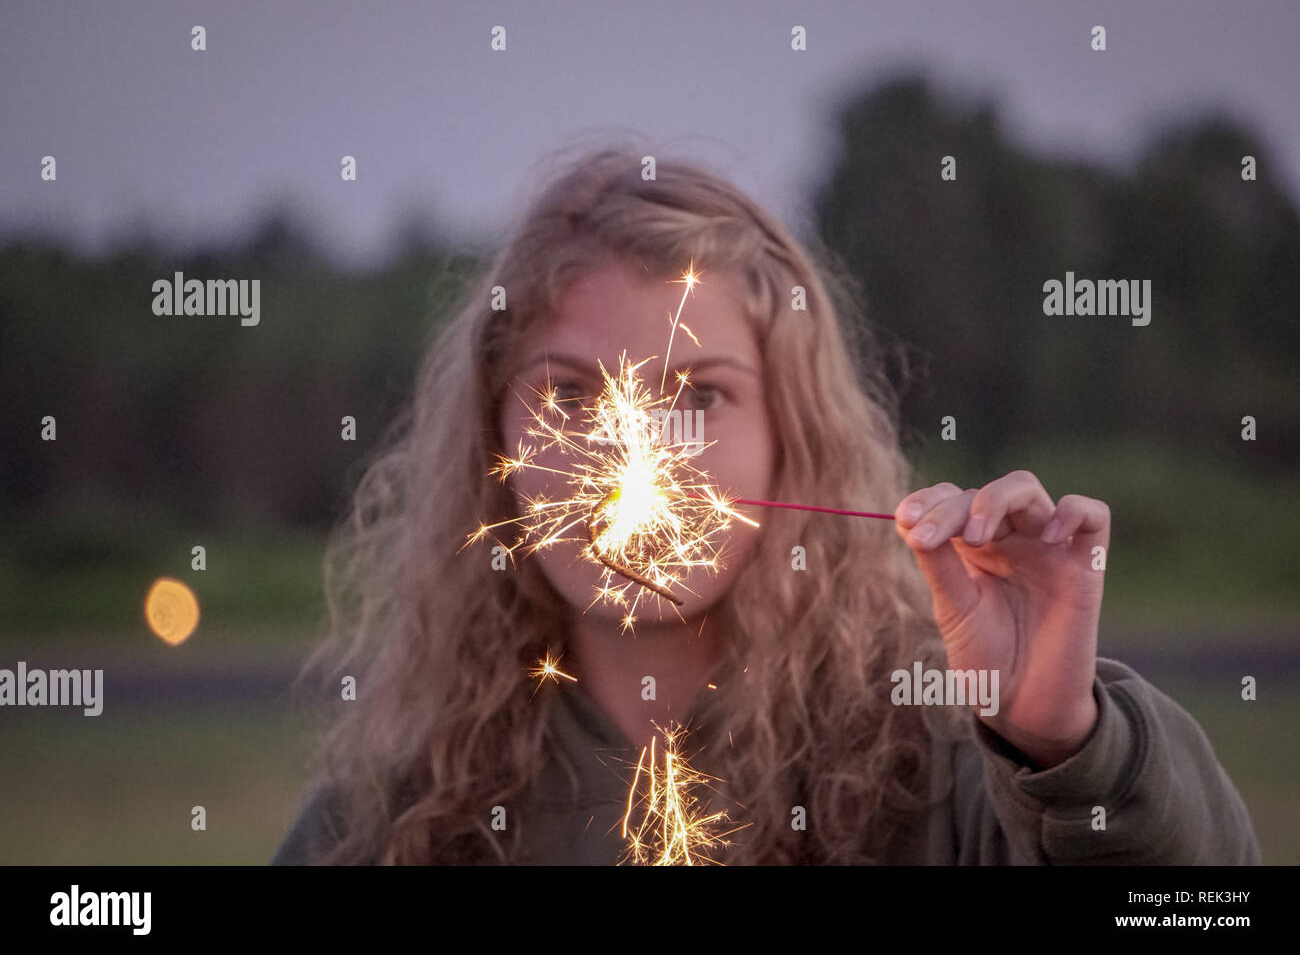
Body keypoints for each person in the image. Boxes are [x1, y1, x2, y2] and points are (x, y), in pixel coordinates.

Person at [271, 143, 1260, 865]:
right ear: (495, 445)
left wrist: (1069, 748)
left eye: (698, 394)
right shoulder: (381, 829)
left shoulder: (952, 762)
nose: (636, 452)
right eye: (572, 394)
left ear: (793, 435)